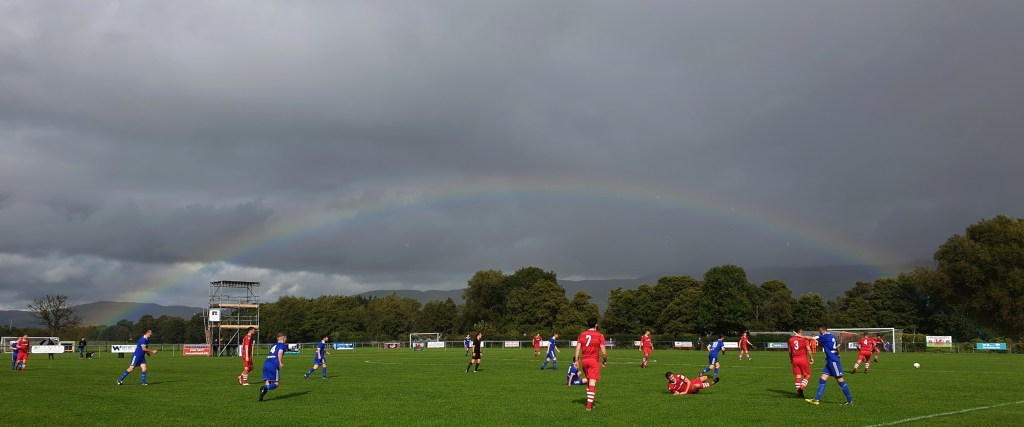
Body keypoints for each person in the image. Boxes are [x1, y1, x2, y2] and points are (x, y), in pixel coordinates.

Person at [805, 325, 852, 405]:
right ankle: (816, 399)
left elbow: (810, 338)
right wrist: (838, 354)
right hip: (830, 361)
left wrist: (799, 336)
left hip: (833, 361)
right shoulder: (832, 336)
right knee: (822, 379)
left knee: (840, 380)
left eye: (819, 330)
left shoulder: (825, 336)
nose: (819, 332)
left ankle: (850, 401)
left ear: (822, 330)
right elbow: (837, 347)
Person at [574, 318, 607, 411]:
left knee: (589, 382)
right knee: (592, 383)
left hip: (584, 361)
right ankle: (589, 407)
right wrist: (605, 361)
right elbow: (604, 352)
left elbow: (577, 349)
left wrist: (576, 361)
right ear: (596, 325)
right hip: (594, 361)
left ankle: (591, 403)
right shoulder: (600, 335)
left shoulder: (582, 334)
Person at [259, 332, 288, 401]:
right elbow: (280, 352)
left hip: (266, 363)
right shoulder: (282, 345)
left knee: (267, 382)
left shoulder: (273, 345)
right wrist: (280, 362)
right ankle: (265, 388)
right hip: (273, 364)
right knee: (276, 384)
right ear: (283, 338)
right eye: (286, 338)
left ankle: (261, 397)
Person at [789, 327, 814, 398]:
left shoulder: (791, 339)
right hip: (803, 359)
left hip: (795, 359)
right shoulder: (804, 339)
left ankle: (799, 393)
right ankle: (801, 388)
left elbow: (790, 351)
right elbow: (808, 349)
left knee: (798, 376)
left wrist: (791, 359)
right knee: (807, 375)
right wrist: (811, 358)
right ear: (800, 331)